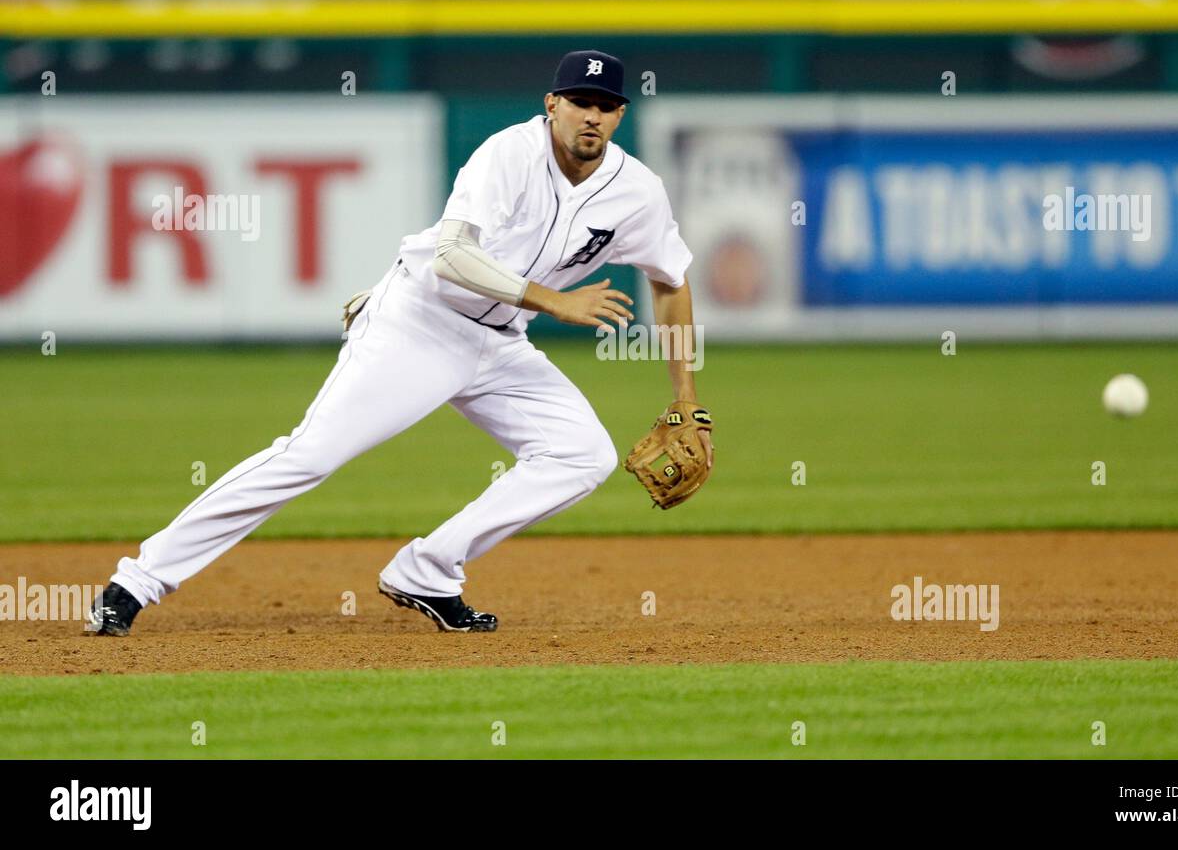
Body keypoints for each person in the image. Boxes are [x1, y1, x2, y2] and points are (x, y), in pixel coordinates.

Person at [88, 49, 711, 636]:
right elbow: (451, 256)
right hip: (421, 321)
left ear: (621, 114)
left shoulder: (637, 191)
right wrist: (555, 302)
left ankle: (428, 570)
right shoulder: (509, 155)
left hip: (500, 344)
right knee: (310, 455)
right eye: (579, 100)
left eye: (605, 105)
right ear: (552, 104)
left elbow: (670, 280)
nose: (592, 115)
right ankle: (136, 582)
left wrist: (686, 395)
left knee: (582, 455)